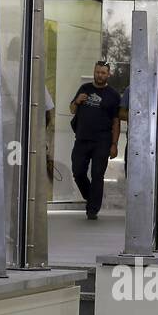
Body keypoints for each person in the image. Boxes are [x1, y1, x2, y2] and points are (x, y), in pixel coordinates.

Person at [69, 61, 122, 220]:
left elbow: (116, 122)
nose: (100, 75)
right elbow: (71, 109)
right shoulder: (85, 89)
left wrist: (114, 144)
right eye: (97, 72)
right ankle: (91, 197)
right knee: (78, 172)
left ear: (108, 74)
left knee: (97, 174)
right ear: (94, 72)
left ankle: (92, 210)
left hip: (102, 141)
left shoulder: (113, 95)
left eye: (103, 73)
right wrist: (77, 101)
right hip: (82, 138)